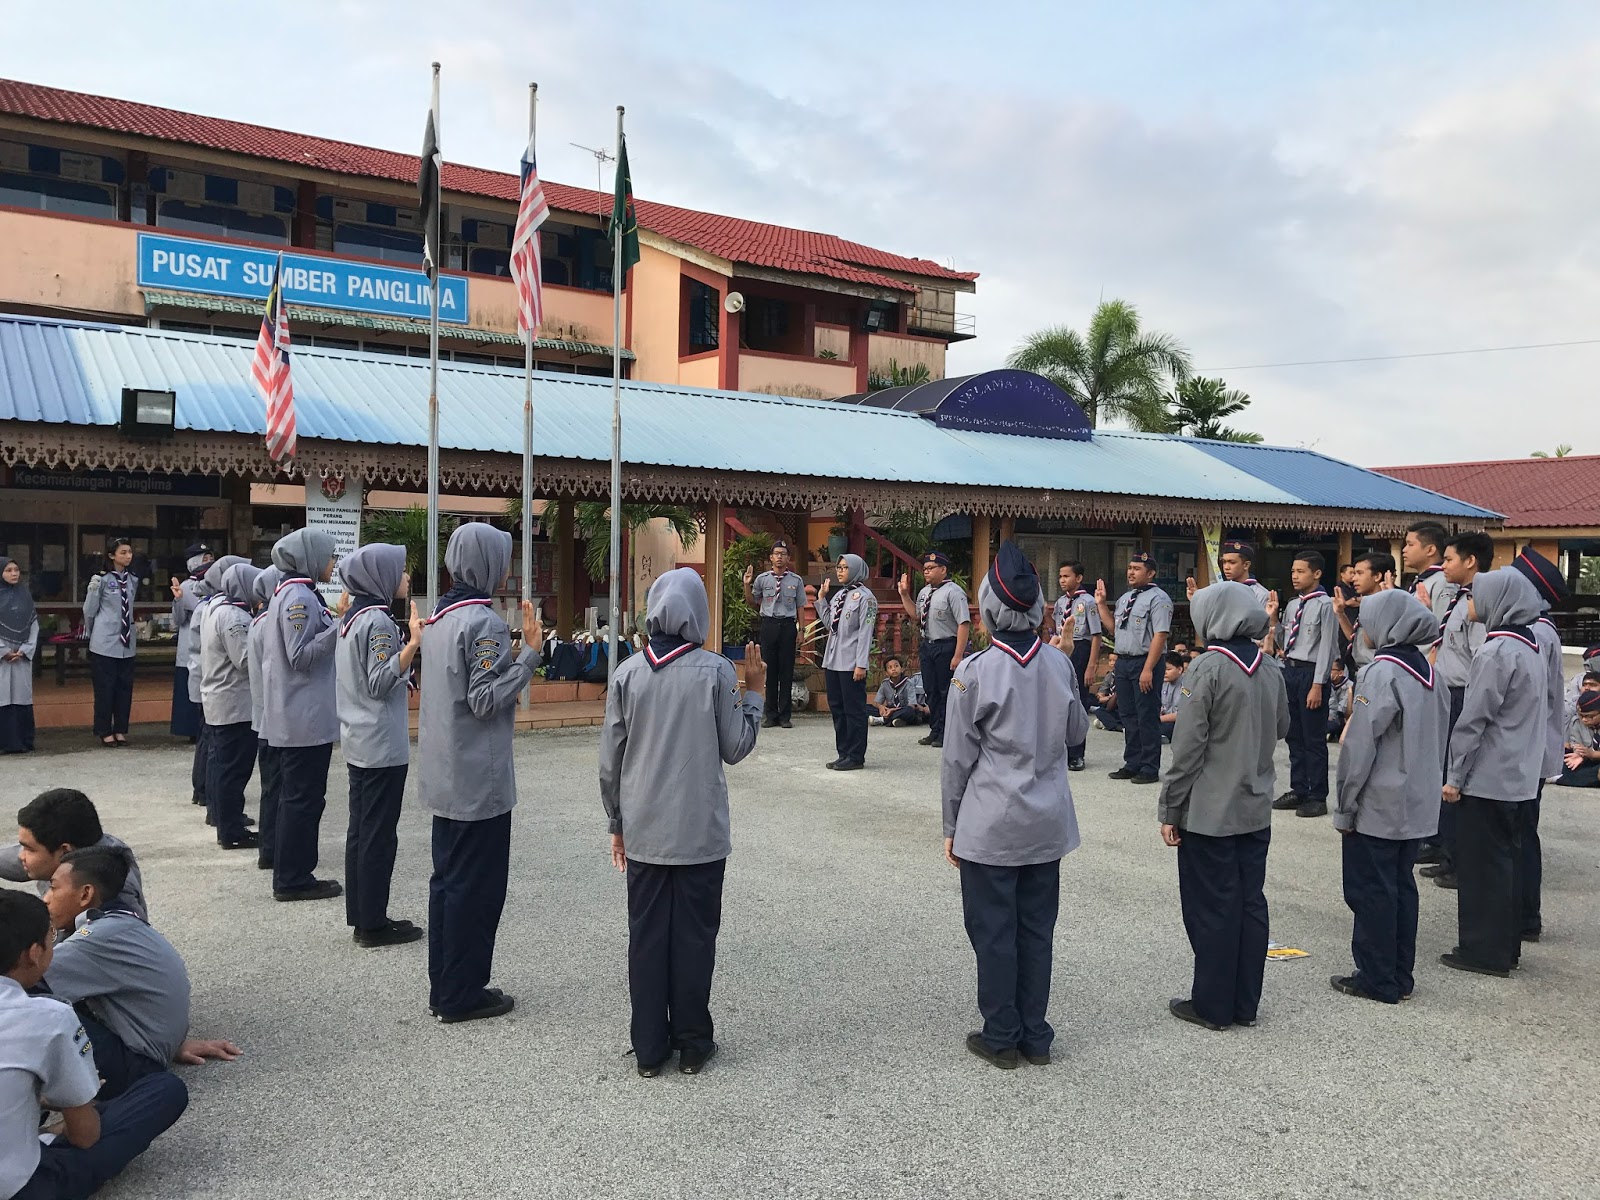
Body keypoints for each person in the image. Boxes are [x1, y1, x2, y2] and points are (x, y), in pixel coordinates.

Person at [600, 569, 763, 1076]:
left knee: (646, 938)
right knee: (694, 937)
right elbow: (735, 747)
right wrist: (755, 692)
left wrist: (616, 822)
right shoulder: (716, 671)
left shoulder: (627, 673)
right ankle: (693, 1041)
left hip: (645, 830)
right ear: (699, 613)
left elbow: (610, 761)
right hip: (699, 833)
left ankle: (649, 1048)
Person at [942, 542, 1086, 1069]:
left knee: (994, 932)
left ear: (989, 608)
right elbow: (1076, 733)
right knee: (1037, 930)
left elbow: (956, 758)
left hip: (992, 823)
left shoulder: (976, 670)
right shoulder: (1058, 663)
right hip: (1046, 822)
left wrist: (951, 824)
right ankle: (1035, 1035)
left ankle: (1001, 1035)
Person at [419, 523, 541, 1024]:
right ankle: (463, 993)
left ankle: (445, 987)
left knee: (448, 884)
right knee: (478, 889)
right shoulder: (484, 623)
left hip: (445, 772)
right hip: (476, 777)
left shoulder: (439, 617)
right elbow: (485, 699)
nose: (505, 569)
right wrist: (529, 654)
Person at [1157, 582, 1289, 1032]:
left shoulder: (1206, 667)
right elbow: (1283, 725)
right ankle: (1244, 1002)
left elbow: (1187, 746)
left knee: (1212, 907)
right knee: (1250, 903)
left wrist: (1171, 808)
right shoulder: (1269, 666)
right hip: (1255, 804)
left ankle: (1212, 1005)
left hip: (1210, 811)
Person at [0, 890, 188, 1200]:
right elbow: (85, 1137)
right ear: (34, 953)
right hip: (21, 1187)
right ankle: (43, 1138)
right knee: (164, 1091)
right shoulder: (49, 1016)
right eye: (51, 938)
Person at [1330, 591, 1448, 1005]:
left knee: (1371, 890)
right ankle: (1399, 974)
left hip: (1379, 800)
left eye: (1366, 620)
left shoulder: (1381, 672)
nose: (1361, 628)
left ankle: (1377, 979)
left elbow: (1360, 746)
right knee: (1400, 887)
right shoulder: (1431, 672)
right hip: (1416, 799)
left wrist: (1344, 804)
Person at [1440, 569, 1545, 978]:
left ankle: (1484, 951)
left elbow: (1474, 720)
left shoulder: (1495, 651)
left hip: (1488, 776)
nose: (1471, 603)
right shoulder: (1530, 645)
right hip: (1518, 774)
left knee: (1483, 868)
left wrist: (1454, 776)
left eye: (1475, 596)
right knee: (1506, 864)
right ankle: (1505, 946)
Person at [335, 544, 424, 949]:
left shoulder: (353, 617)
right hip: (380, 743)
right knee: (378, 835)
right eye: (400, 570)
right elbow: (379, 681)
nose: (405, 577)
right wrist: (412, 646)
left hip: (360, 737)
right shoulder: (379, 621)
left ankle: (363, 915)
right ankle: (373, 924)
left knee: (361, 831)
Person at [259, 530, 341, 902]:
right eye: (329, 556)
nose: (333, 563)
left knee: (299, 798)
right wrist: (340, 627)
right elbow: (300, 655)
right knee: (302, 800)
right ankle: (293, 878)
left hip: (297, 713)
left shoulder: (293, 591)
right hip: (303, 717)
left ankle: (291, 871)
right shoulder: (298, 596)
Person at [1420, 532, 1493, 885]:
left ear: (1470, 561)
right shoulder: (1458, 598)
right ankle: (1445, 849)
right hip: (1447, 692)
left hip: (1464, 695)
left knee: (1458, 776)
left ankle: (1460, 860)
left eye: (1449, 559)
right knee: (1444, 773)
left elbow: (1480, 659)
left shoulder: (1480, 603)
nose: (1444, 565)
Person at [1509, 547, 1569, 944]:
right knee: (1521, 833)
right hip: (1530, 749)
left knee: (1521, 835)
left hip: (1527, 751)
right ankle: (1522, 914)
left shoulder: (1538, 633)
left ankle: (1525, 916)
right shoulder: (1535, 628)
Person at [0, 790, 147, 921]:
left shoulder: (113, 897)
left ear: (65, 851)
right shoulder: (76, 846)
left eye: (29, 849)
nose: (21, 856)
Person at [1273, 550, 1339, 818]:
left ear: (1317, 573)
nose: (1295, 576)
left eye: (1301, 571)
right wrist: (1273, 619)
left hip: (1312, 674)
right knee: (1293, 735)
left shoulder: (1325, 605)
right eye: (1293, 571)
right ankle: (1298, 788)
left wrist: (1318, 684)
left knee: (1313, 738)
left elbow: (1327, 647)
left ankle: (1317, 795)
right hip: (1291, 671)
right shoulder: (1292, 604)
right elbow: (1283, 641)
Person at [198, 561, 259, 851]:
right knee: (234, 771)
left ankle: (227, 822)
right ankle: (231, 830)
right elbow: (244, 660)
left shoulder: (219, 608)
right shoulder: (235, 616)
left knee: (224, 767)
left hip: (223, 700)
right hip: (234, 703)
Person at [1097, 552, 1171, 785]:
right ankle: (1132, 763)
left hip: (1145, 661)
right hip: (1124, 661)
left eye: (1137, 569)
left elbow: (1160, 635)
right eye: (1130, 567)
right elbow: (1114, 630)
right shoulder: (1125, 598)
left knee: (1146, 714)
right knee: (1127, 714)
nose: (1130, 572)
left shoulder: (1159, 599)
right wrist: (1101, 605)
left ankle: (1149, 767)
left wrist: (1148, 669)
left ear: (1151, 573)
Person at [898, 551, 970, 750]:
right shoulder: (924, 592)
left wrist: (958, 655)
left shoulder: (953, 592)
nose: (926, 572)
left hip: (946, 646)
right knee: (930, 690)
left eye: (931, 568)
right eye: (925, 569)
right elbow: (915, 614)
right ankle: (935, 729)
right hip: (927, 645)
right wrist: (904, 594)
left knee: (945, 691)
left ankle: (946, 732)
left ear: (943, 569)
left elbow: (963, 624)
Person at [818, 554, 877, 771]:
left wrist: (861, 664)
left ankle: (855, 756)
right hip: (833, 660)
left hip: (851, 662)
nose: (840, 571)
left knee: (854, 710)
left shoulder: (866, 598)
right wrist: (821, 599)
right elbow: (829, 624)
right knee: (837, 708)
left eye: (844, 567)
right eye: (838, 567)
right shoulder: (839, 595)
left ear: (856, 569)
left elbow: (865, 632)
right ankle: (843, 753)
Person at [742, 539, 807, 730]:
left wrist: (801, 630)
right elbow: (752, 602)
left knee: (786, 671)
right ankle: (770, 715)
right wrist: (746, 585)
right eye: (776, 554)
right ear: (771, 558)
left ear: (788, 558)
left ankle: (785, 716)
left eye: (783, 554)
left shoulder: (796, 580)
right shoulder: (762, 579)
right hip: (769, 625)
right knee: (769, 670)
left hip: (787, 626)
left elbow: (800, 606)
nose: (779, 557)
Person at [83, 538, 139, 748]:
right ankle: (104, 730)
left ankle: (120, 729)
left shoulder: (132, 579)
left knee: (124, 689)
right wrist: (94, 633)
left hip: (126, 643)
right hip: (104, 642)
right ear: (111, 555)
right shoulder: (100, 579)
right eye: (123, 552)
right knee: (105, 689)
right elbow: (89, 610)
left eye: (130, 552)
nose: (128, 556)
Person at [246, 566, 284, 873]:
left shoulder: (259, 621)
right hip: (274, 719)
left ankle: (269, 848)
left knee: (272, 788)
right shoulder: (270, 622)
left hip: (264, 717)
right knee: (276, 790)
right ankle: (271, 849)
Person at [1051, 561, 1100, 771]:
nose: (1062, 580)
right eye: (1060, 576)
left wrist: (1091, 665)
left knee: (1077, 702)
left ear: (1078, 578)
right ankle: (1060, 751)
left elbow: (1096, 635)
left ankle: (1077, 754)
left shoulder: (1088, 602)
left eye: (1067, 576)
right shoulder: (1060, 602)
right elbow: (1054, 628)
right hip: (1061, 648)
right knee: (1059, 702)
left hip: (1081, 650)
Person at [167, 543, 212, 743]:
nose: (208, 562)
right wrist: (178, 600)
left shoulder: (216, 585)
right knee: (188, 689)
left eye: (210, 558)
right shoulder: (185, 586)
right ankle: (190, 730)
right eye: (204, 559)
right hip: (189, 646)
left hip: (210, 645)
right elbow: (177, 620)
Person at [1333, 551, 1395, 676]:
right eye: (1354, 573)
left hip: (1378, 672)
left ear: (1377, 576)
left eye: (1360, 573)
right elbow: (1355, 638)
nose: (1354, 579)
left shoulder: (1390, 605)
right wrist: (1340, 613)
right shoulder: (1367, 603)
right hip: (1359, 671)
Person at [0, 557, 38, 755]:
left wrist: (25, 649)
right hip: (3, 657)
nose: (14, 573)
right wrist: (3, 651)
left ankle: (23, 741)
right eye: (8, 570)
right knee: (3, 697)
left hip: (21, 655)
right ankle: (5, 743)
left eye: (16, 569)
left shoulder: (25, 595)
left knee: (21, 697)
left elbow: (33, 624)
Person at [1403, 521, 1459, 627]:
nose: (1404, 550)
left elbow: (1442, 626)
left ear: (1430, 550)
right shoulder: (1424, 580)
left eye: (1410, 545)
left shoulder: (1443, 582)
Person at [1188, 541, 1271, 612]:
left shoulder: (1260, 594)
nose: (1226, 567)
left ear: (1246, 565)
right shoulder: (1220, 591)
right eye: (1224, 562)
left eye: (1232, 562)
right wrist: (1197, 600)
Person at [1558, 690, 1600, 787]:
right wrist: (1580, 755)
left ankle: (1561, 779)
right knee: (1565, 762)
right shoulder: (1577, 722)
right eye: (1581, 716)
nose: (1584, 719)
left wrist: (1592, 754)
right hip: (1587, 761)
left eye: (1590, 716)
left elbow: (1590, 753)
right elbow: (1576, 744)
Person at [869, 655, 926, 727]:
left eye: (896, 666)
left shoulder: (908, 683)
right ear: (886, 673)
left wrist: (893, 710)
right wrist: (881, 707)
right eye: (890, 667)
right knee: (866, 708)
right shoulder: (885, 684)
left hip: (903, 709)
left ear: (902, 669)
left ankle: (882, 720)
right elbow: (877, 703)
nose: (893, 669)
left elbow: (912, 705)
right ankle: (896, 720)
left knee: (910, 711)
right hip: (890, 709)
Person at [1088, 650, 1123, 733]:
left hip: (1122, 706)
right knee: (1099, 711)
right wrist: (1108, 697)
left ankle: (1109, 724)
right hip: (1111, 705)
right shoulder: (1109, 676)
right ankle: (1117, 726)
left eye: (1114, 660)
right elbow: (1100, 695)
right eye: (1110, 660)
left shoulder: (1123, 676)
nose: (1112, 663)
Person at [1159, 652, 1186, 742]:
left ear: (1179, 669)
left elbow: (1183, 714)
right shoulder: (1163, 683)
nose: (1165, 672)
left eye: (1168, 669)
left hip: (1179, 722)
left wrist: (1159, 719)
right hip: (1164, 719)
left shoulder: (1186, 685)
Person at [1324, 661, 1350, 741]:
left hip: (1340, 718)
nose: (1329, 672)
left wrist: (1330, 714)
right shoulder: (1327, 684)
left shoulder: (1350, 686)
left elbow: (1343, 708)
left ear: (1341, 673)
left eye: (1332, 669)